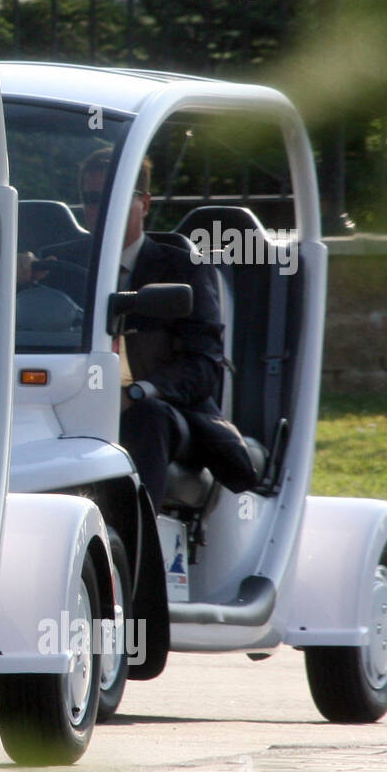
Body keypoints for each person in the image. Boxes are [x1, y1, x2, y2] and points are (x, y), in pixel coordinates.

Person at [93, 150, 240, 507]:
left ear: (144, 204)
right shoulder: (62, 265)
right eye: (90, 200)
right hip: (77, 400)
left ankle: (137, 550)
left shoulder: (183, 268)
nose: (100, 210)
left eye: (114, 200)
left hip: (162, 410)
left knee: (148, 418)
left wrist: (140, 391)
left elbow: (204, 367)